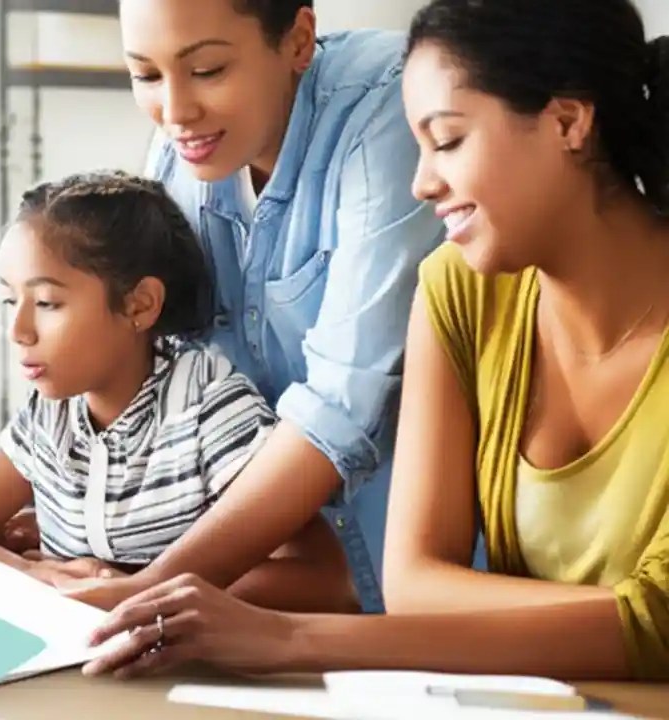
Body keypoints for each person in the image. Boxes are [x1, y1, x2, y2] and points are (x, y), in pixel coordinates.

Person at [82, 0, 669, 681]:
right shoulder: (459, 289)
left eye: (447, 141)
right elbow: (415, 584)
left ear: (568, 122)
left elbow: (654, 621)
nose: (421, 183)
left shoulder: (374, 140)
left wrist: (289, 638)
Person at [3, 0, 447, 613]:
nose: (176, 112)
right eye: (146, 75)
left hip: (407, 589)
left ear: (297, 38)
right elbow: (153, 367)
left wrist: (145, 586)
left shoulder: (387, 108)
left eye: (208, 70)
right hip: (250, 595)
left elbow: (342, 410)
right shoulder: (181, 153)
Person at [0, 171, 356, 612]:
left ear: (140, 304)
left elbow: (325, 581)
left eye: (46, 304)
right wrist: (41, 576)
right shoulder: (49, 417)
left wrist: (139, 594)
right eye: (9, 301)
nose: (18, 331)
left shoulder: (207, 406)